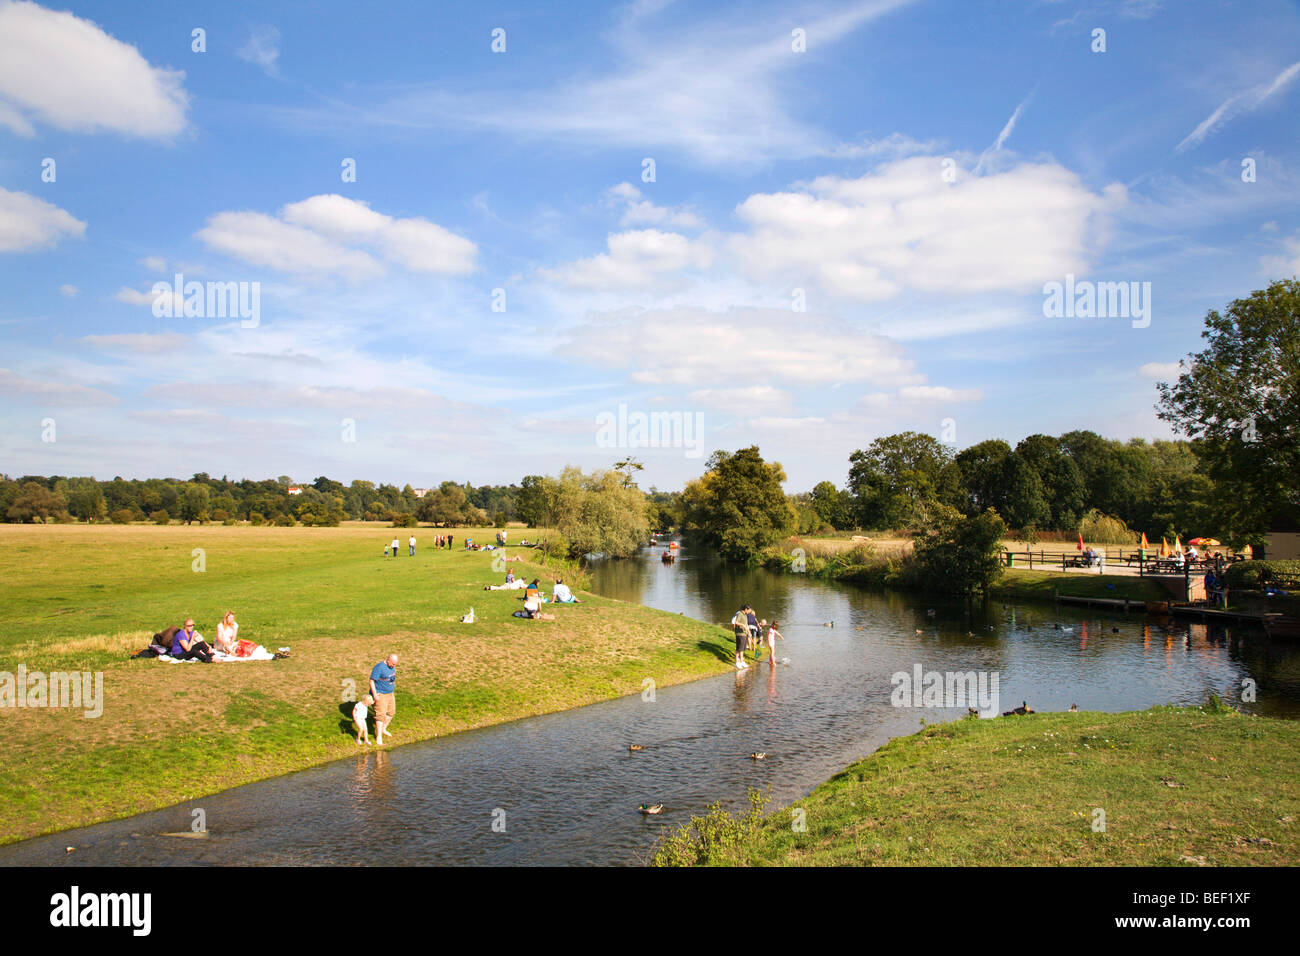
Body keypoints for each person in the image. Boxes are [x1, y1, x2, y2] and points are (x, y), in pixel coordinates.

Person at [369, 654, 398, 744]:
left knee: (391, 713)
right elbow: (371, 681)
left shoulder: (392, 666)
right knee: (380, 716)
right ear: (388, 660)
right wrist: (375, 695)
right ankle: (378, 737)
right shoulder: (379, 667)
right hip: (380, 694)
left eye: (395, 664)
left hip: (390, 694)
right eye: (392, 664)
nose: (393, 666)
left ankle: (383, 729)